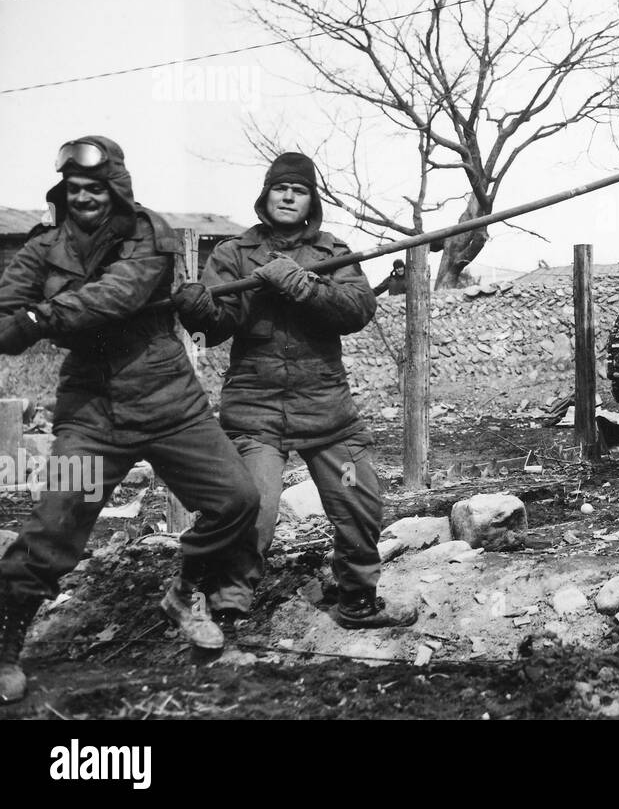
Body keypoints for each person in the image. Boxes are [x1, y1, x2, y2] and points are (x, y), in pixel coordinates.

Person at [0, 137, 259, 704]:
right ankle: (5, 645)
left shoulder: (149, 234)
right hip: (91, 414)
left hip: (168, 402)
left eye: (95, 188)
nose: (86, 198)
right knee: (51, 526)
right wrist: (13, 324)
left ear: (116, 187)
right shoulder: (43, 246)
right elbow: (7, 311)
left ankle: (187, 588)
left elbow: (117, 296)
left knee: (237, 498)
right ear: (63, 193)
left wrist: (42, 315)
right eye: (75, 189)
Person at [172, 153, 416, 631]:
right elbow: (218, 326)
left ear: (311, 202)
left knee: (357, 499)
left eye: (298, 190)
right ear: (265, 197)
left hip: (326, 411)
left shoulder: (332, 253)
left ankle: (358, 600)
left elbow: (356, 310)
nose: (287, 196)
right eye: (279, 188)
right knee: (252, 509)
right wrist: (197, 310)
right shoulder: (233, 254)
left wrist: (304, 287)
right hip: (255, 413)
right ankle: (227, 606)